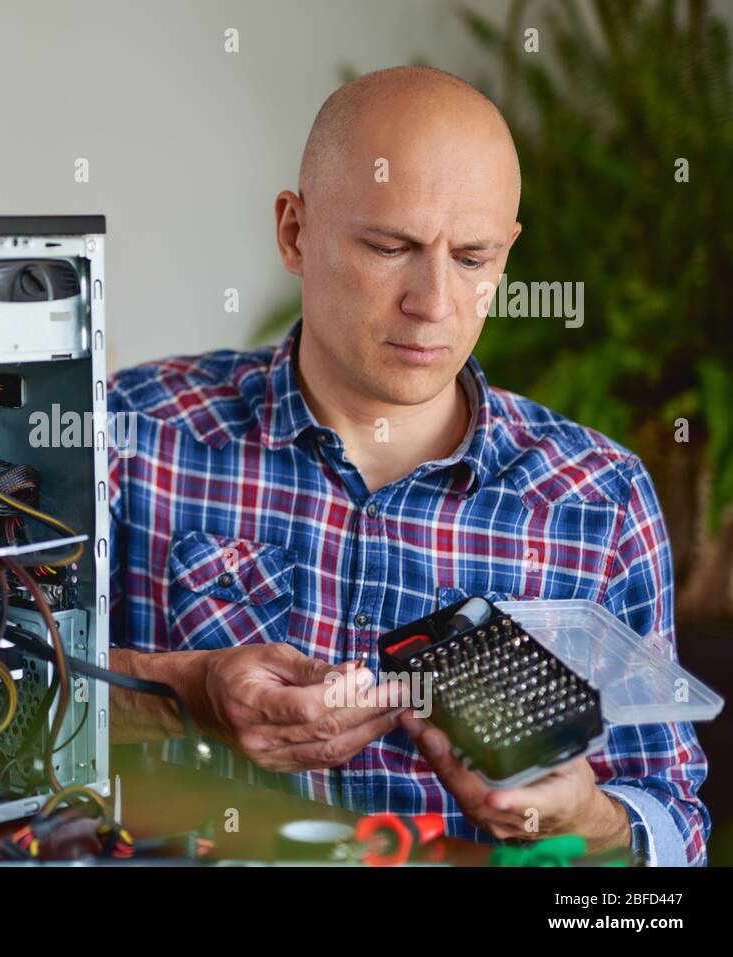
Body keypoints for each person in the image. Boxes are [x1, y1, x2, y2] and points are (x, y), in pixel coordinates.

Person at [105, 66, 709, 865]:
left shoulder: (598, 498)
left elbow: (672, 825)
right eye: (391, 246)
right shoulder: (135, 434)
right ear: (294, 231)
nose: (433, 302)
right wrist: (184, 691)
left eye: (472, 257)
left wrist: (586, 820)